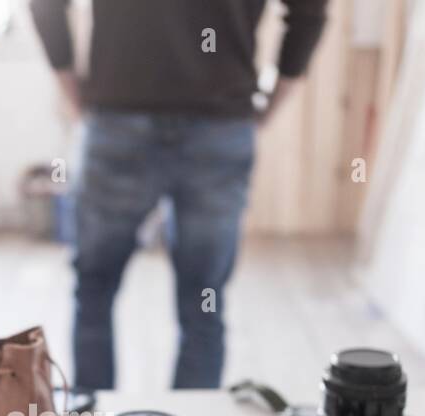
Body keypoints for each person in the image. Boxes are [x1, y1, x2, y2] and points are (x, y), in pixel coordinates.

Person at [30, 0, 329, 389]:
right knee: (203, 303)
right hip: (220, 123)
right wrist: (271, 103)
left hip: (119, 117)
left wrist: (72, 90)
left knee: (95, 291)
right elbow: (310, 12)